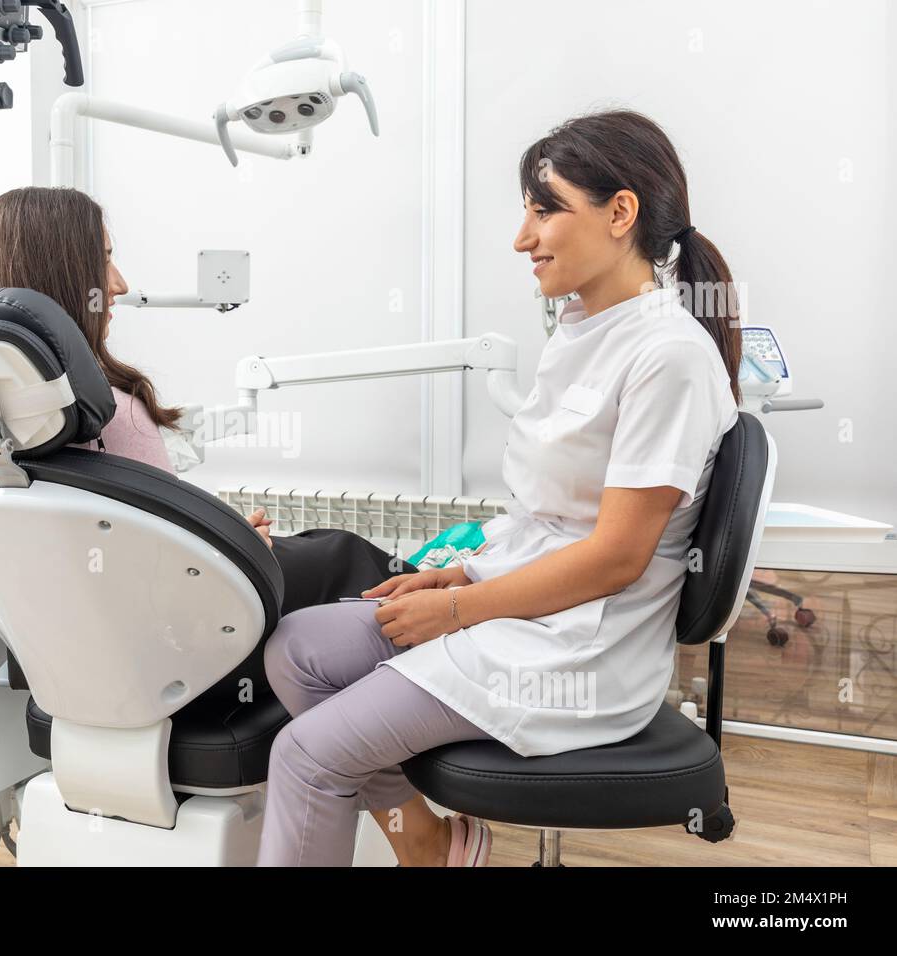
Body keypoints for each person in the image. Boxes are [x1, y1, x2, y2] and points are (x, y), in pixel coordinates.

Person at [255, 110, 743, 867]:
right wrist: (467, 571)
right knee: (295, 650)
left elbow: (615, 557)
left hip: (581, 653)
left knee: (305, 756)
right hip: (517, 609)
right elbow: (545, 518)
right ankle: (429, 840)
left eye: (545, 210)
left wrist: (458, 609)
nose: (523, 238)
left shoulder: (667, 355)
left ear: (621, 214)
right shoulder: (579, 332)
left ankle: (420, 848)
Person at [0, 185, 413, 697]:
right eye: (105, 261)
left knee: (318, 551)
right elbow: (164, 589)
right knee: (348, 555)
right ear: (62, 277)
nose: (118, 285)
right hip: (187, 661)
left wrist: (217, 538)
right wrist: (234, 553)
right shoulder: (116, 415)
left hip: (65, 668)